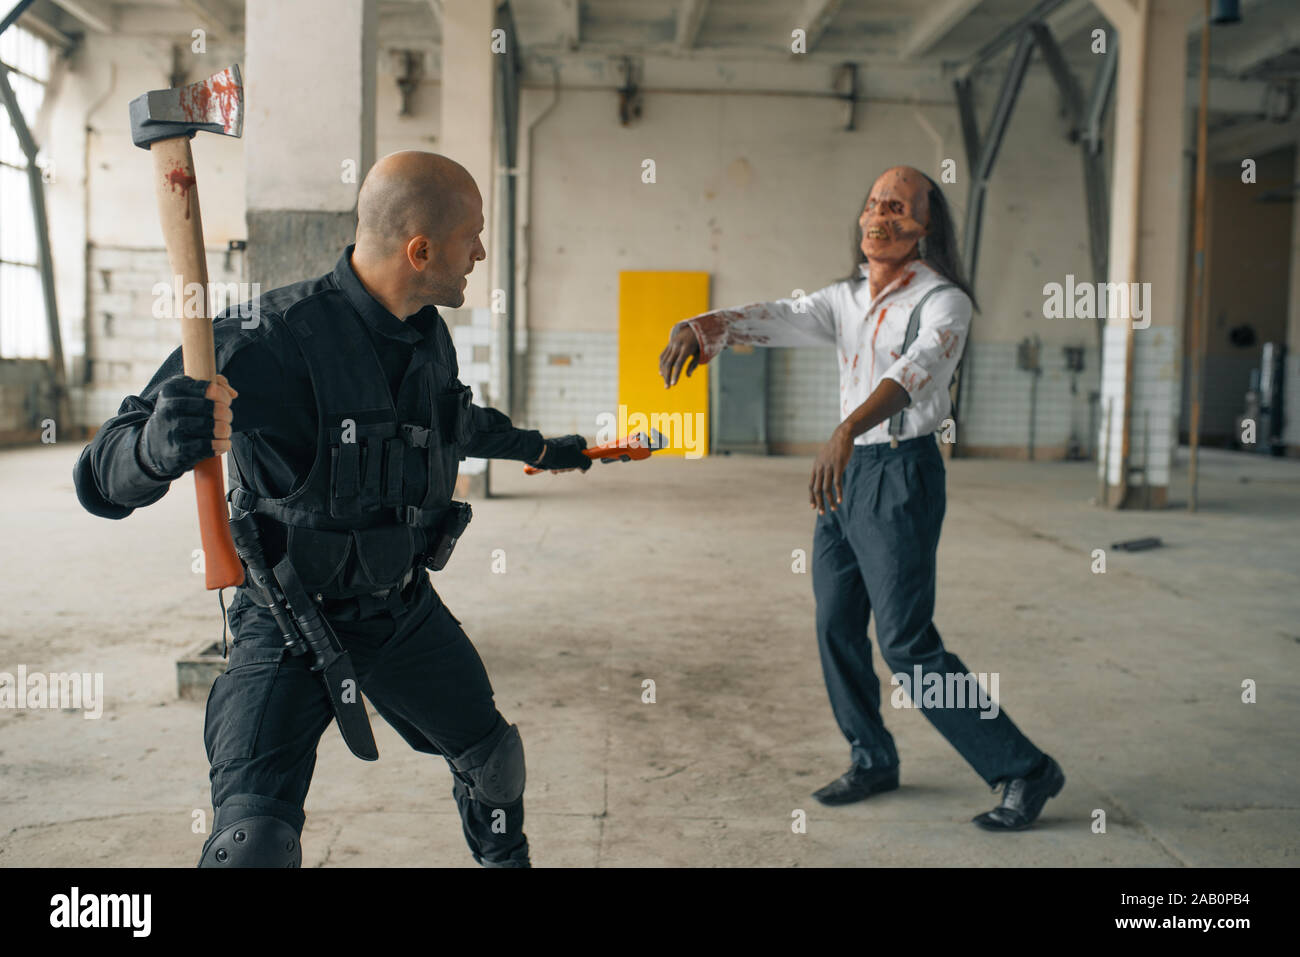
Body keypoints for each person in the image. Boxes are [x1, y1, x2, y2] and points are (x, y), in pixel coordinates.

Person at [73, 151, 591, 866]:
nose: (479, 252)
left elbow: (458, 423)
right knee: (251, 845)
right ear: (420, 249)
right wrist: (157, 447)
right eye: (471, 235)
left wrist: (554, 447)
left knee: (496, 762)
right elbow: (100, 469)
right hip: (289, 619)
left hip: (400, 612)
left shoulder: (426, 333)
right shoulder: (270, 335)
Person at [658, 166, 1065, 830]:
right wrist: (706, 326)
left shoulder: (945, 301)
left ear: (925, 226)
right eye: (875, 202)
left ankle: (1024, 767)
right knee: (835, 622)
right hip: (846, 475)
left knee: (905, 641)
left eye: (899, 206)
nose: (882, 215)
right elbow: (784, 317)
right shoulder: (846, 299)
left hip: (899, 471)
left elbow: (916, 370)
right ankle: (872, 754)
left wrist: (847, 428)